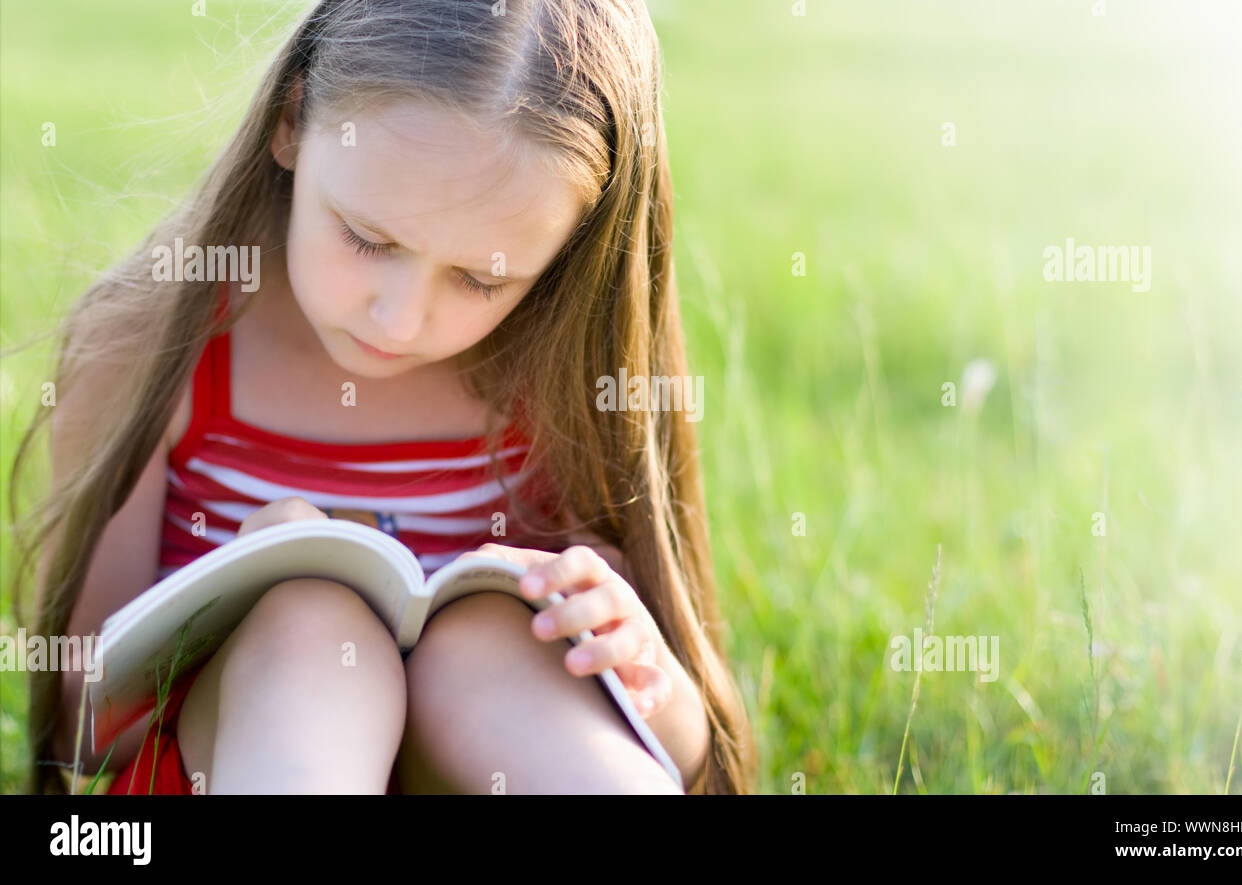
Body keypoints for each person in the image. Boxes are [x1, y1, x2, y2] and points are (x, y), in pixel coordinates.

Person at [12, 0, 755, 795]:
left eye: (482, 278)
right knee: (311, 627)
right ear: (294, 119)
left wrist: (643, 669)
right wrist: (240, 589)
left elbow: (688, 752)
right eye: (368, 239)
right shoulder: (148, 349)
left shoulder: (559, 374)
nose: (401, 319)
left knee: (492, 644)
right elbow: (83, 732)